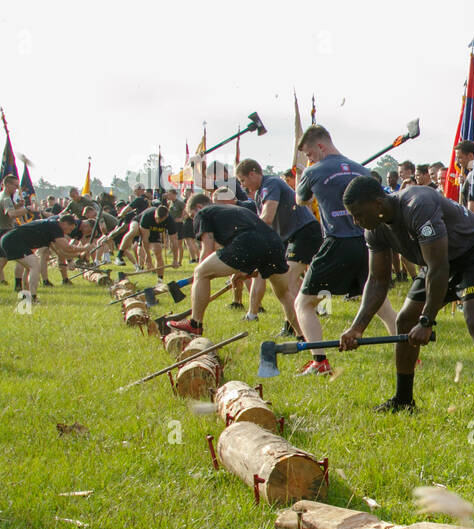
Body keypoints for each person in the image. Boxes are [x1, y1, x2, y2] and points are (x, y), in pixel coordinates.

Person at [339, 177, 474, 424]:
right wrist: (357, 327)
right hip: (437, 261)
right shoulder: (374, 230)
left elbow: (439, 268)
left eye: (359, 214)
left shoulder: (417, 204)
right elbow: (377, 280)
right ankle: (403, 399)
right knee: (405, 319)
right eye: (352, 216)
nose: (357, 221)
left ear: (377, 203)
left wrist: (427, 320)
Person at [294, 125, 397, 375]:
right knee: (378, 300)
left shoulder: (313, 171)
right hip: (368, 241)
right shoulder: (360, 169)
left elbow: (301, 200)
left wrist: (306, 173)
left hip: (337, 241)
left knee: (303, 304)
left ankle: (320, 361)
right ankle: (407, 353)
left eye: (309, 154)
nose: (309, 160)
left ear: (320, 146)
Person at [168, 193, 304, 338]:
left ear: (199, 207)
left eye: (192, 216)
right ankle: (302, 335)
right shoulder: (232, 210)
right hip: (275, 243)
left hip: (248, 242)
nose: (194, 220)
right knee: (283, 293)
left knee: (201, 272)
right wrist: (245, 270)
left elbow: (207, 250)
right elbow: (256, 244)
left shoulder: (203, 213)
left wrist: (199, 274)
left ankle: (194, 325)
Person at [236, 158, 320, 334]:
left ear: (252, 174)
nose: (243, 186)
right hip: (290, 237)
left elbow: (267, 218)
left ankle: (296, 323)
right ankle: (302, 316)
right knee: (288, 282)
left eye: (243, 180)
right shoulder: (260, 193)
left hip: (304, 232)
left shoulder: (271, 183)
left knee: (286, 282)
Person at [0, 212, 89, 299]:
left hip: (10, 239)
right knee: (34, 266)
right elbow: (66, 247)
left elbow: (61, 252)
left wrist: (78, 255)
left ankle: (26, 295)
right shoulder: (55, 227)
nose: (69, 233)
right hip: (12, 240)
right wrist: (84, 248)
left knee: (30, 267)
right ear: (64, 223)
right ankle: (33, 296)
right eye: (70, 229)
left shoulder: (53, 228)